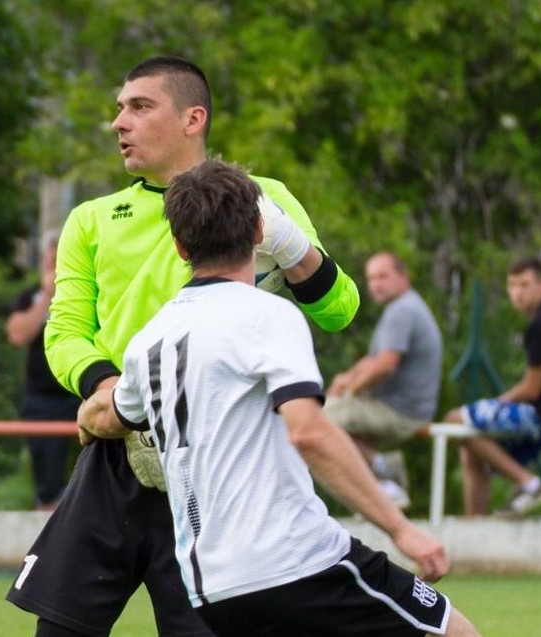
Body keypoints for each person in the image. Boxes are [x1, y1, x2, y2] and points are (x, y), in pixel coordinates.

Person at [6, 56, 361, 637]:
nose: (119, 122)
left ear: (193, 119)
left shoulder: (260, 198)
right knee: (60, 631)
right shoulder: (91, 219)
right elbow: (64, 330)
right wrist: (109, 392)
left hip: (217, 459)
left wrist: (291, 246)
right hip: (118, 452)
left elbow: (339, 309)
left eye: (140, 107)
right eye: (119, 108)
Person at [77, 159, 479, 637]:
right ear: (258, 232)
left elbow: (109, 415)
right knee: (457, 633)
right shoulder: (268, 316)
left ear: (180, 246)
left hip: (211, 590)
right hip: (296, 562)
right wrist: (401, 529)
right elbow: (309, 432)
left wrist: (86, 416)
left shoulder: (150, 340)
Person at [443, 258, 541, 518]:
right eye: (512, 285)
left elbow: (532, 389)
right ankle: (474, 528)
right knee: (471, 451)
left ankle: (529, 484)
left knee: (455, 420)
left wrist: (501, 401)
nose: (517, 292)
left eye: (524, 284)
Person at [325, 252, 443, 509]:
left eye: (382, 277)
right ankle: (382, 478)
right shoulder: (406, 306)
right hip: (405, 408)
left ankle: (384, 476)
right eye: (371, 279)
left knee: (320, 419)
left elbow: (386, 365)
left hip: (402, 412)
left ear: (403, 277)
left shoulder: (402, 310)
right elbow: (374, 360)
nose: (376, 284)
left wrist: (350, 391)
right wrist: (347, 378)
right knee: (327, 417)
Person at [6, 229, 80, 511]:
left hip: (82, 389)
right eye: (52, 259)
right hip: (45, 398)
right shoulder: (30, 296)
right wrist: (48, 295)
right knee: (47, 481)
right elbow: (17, 335)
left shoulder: (89, 292)